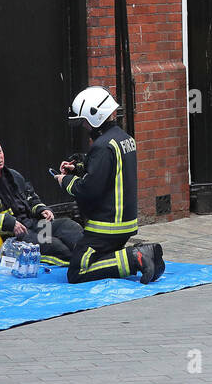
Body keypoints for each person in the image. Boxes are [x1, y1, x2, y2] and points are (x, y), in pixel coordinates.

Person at [55, 86, 163, 284]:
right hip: (124, 222)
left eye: (84, 122)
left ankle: (135, 257)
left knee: (77, 271)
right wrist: (78, 166)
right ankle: (141, 257)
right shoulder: (123, 138)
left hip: (107, 226)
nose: (84, 126)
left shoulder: (103, 146)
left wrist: (65, 181)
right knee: (97, 259)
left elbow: (89, 189)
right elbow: (107, 171)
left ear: (94, 117)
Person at [0, 139, 84, 267]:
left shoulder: (13, 176)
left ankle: (86, 256)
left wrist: (42, 209)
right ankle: (77, 265)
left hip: (33, 226)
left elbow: (31, 197)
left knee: (68, 226)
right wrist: (10, 222)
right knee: (56, 246)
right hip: (14, 238)